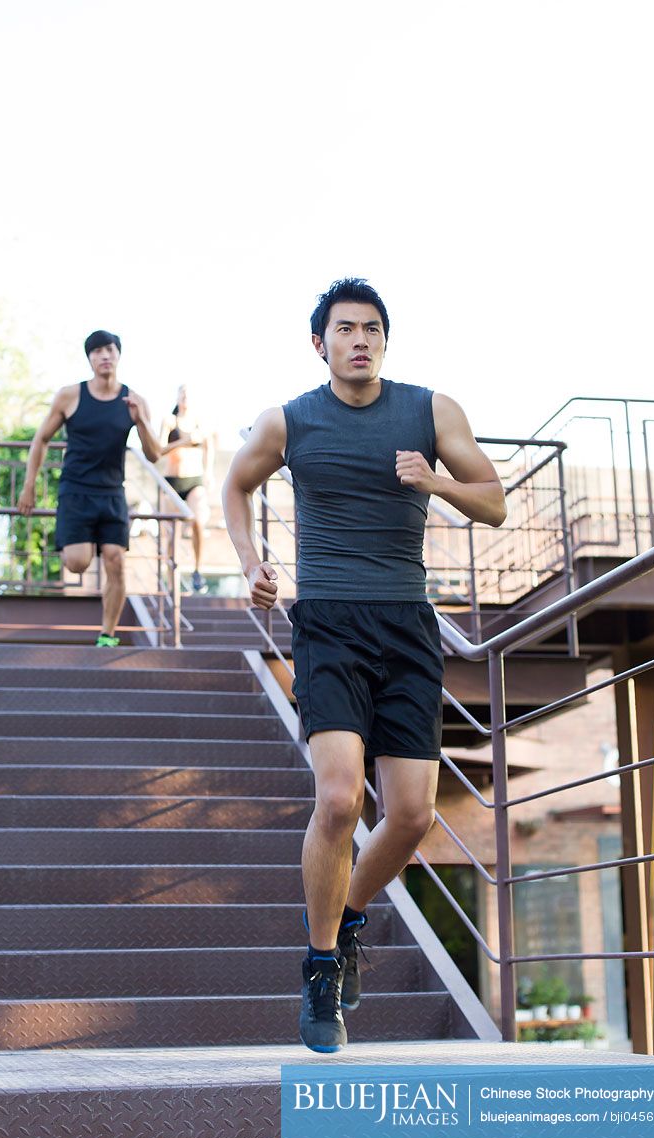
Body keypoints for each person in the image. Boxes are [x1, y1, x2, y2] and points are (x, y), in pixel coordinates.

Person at [222, 278, 506, 1053]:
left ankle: (344, 914)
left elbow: (494, 500)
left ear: (385, 340)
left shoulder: (429, 410)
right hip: (330, 625)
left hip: (408, 625)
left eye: (372, 329)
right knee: (341, 797)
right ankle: (320, 971)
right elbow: (235, 486)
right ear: (319, 343)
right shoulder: (289, 419)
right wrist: (252, 563)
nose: (360, 340)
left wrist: (434, 481)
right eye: (345, 329)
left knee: (412, 814)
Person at [17, 330, 163, 646]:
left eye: (109, 349)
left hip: (112, 492)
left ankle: (107, 636)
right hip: (75, 490)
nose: (104, 356)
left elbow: (155, 454)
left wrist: (142, 422)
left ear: (118, 354)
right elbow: (41, 439)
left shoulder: (134, 400)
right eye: (96, 351)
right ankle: (86, 541)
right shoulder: (69, 396)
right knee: (77, 563)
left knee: (116, 560)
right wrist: (29, 486)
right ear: (90, 359)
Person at [159, 384, 214, 592]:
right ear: (177, 397)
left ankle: (197, 569)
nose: (185, 398)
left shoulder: (200, 422)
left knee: (198, 521)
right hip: (172, 480)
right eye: (182, 394)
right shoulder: (169, 421)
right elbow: (159, 450)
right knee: (171, 533)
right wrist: (183, 441)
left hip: (194, 480)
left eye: (189, 395)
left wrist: (208, 473)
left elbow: (209, 447)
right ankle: (172, 582)